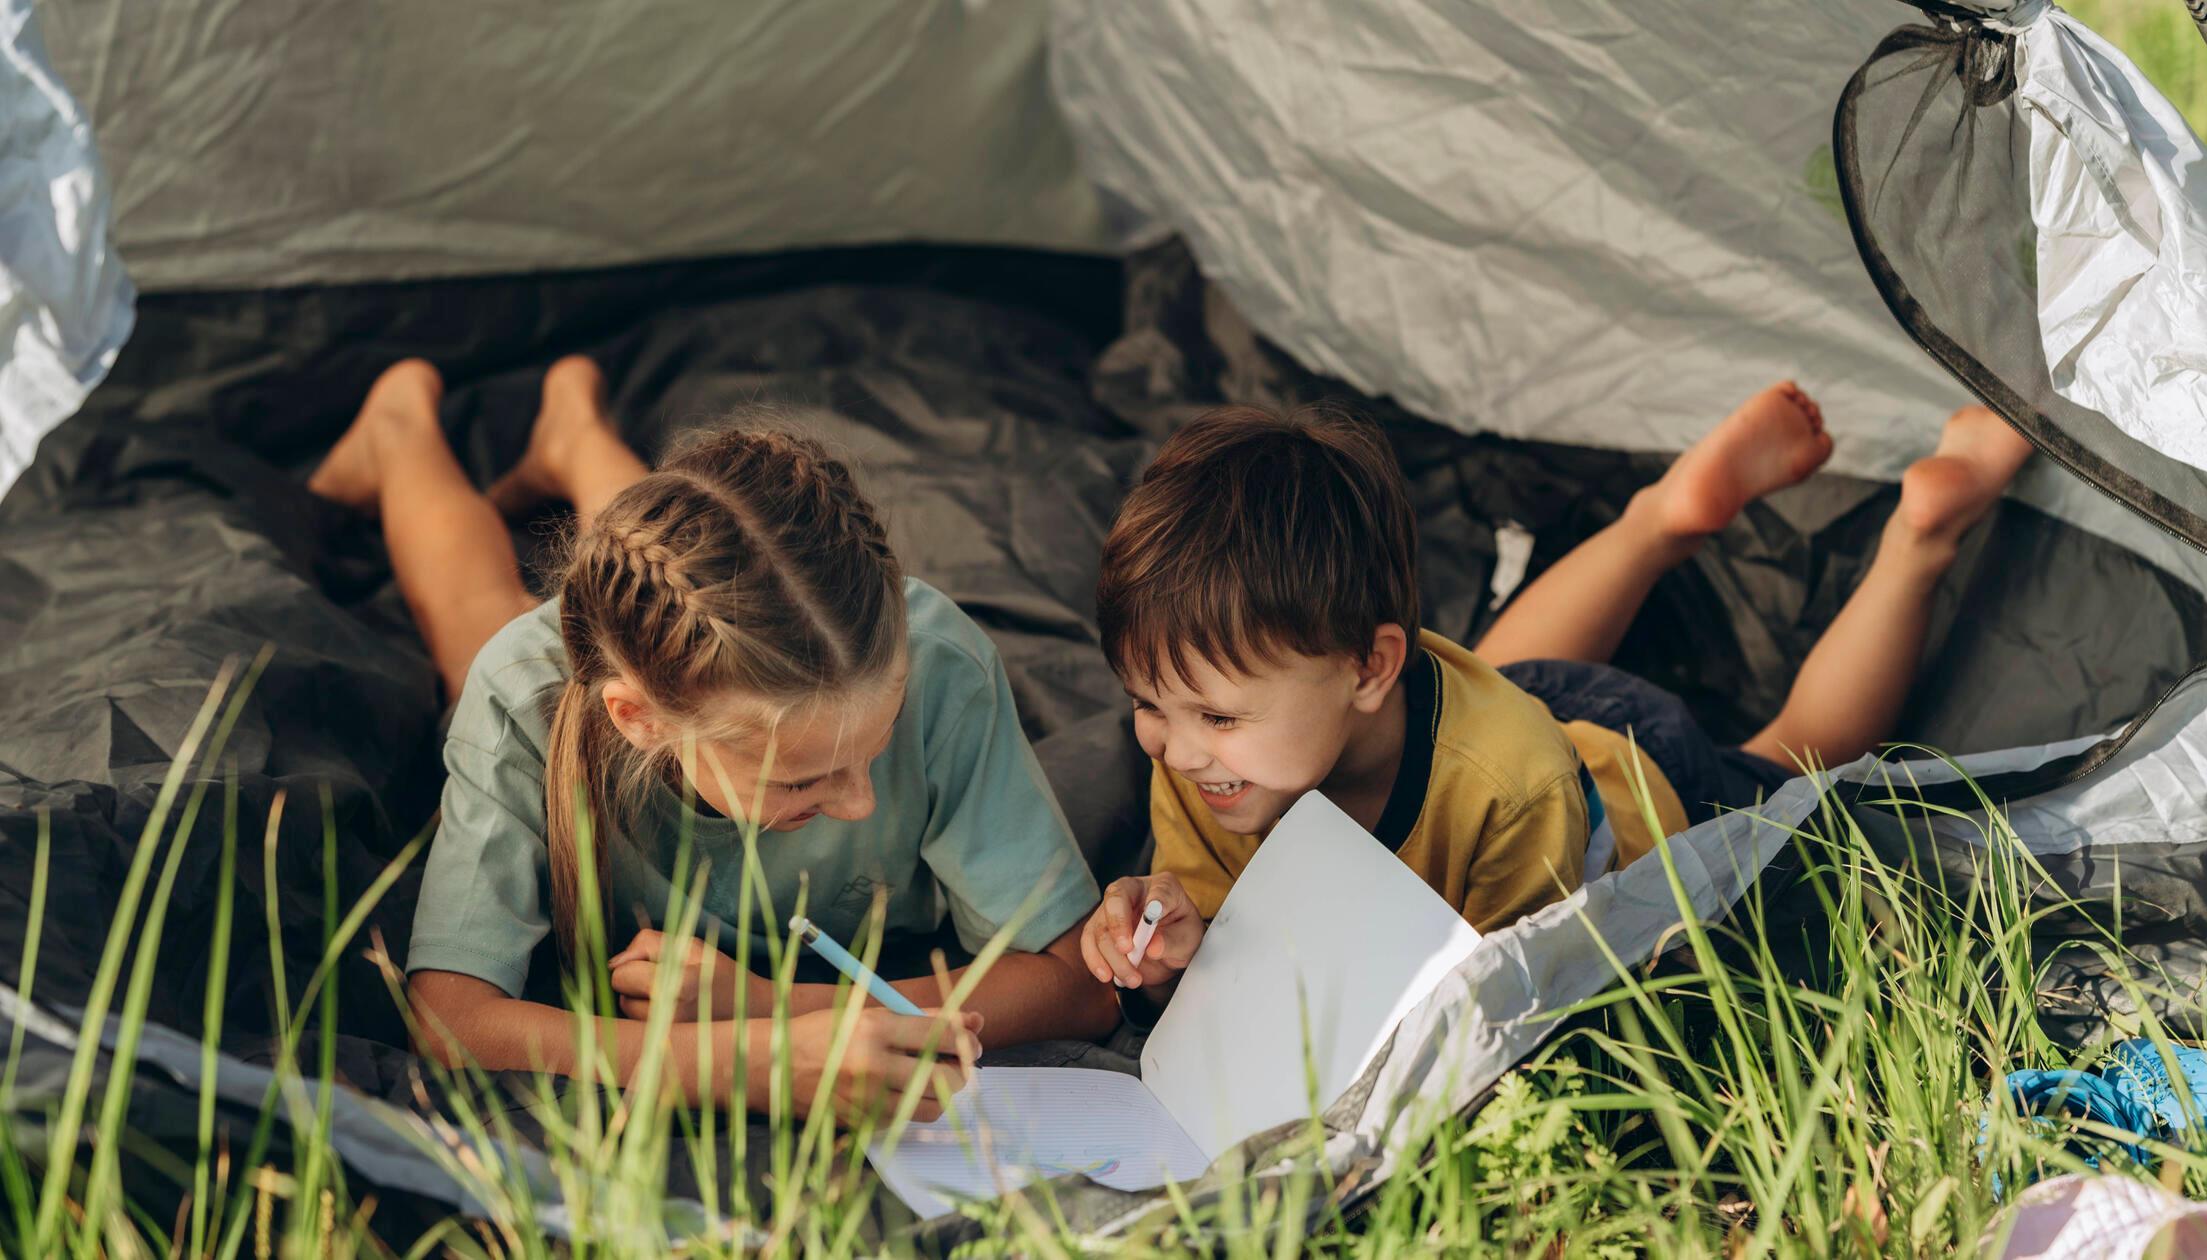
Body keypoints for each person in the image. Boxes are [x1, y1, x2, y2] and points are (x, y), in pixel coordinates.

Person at [308, 356, 1116, 1116]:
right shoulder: (529, 698)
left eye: (881, 743)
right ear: (639, 721)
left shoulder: (934, 660)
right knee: (475, 620)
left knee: (678, 578)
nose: (863, 803)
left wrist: (771, 1005)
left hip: (694, 656)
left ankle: (574, 438)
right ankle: (401, 428)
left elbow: (1079, 983)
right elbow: (451, 1024)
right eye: (803, 780)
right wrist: (756, 1063)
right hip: (572, 676)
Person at [1078, 385, 2033, 1002]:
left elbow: (1506, 1013)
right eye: (1150, 703)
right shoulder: (1212, 760)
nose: (1170, 744)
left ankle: (1922, 536)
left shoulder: (1509, 792)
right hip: (1494, 700)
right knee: (1489, 671)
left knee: (1788, 760)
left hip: (1633, 783)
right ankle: (1659, 520)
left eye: (1216, 715)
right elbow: (1221, 942)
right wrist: (1177, 943)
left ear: (1369, 667)